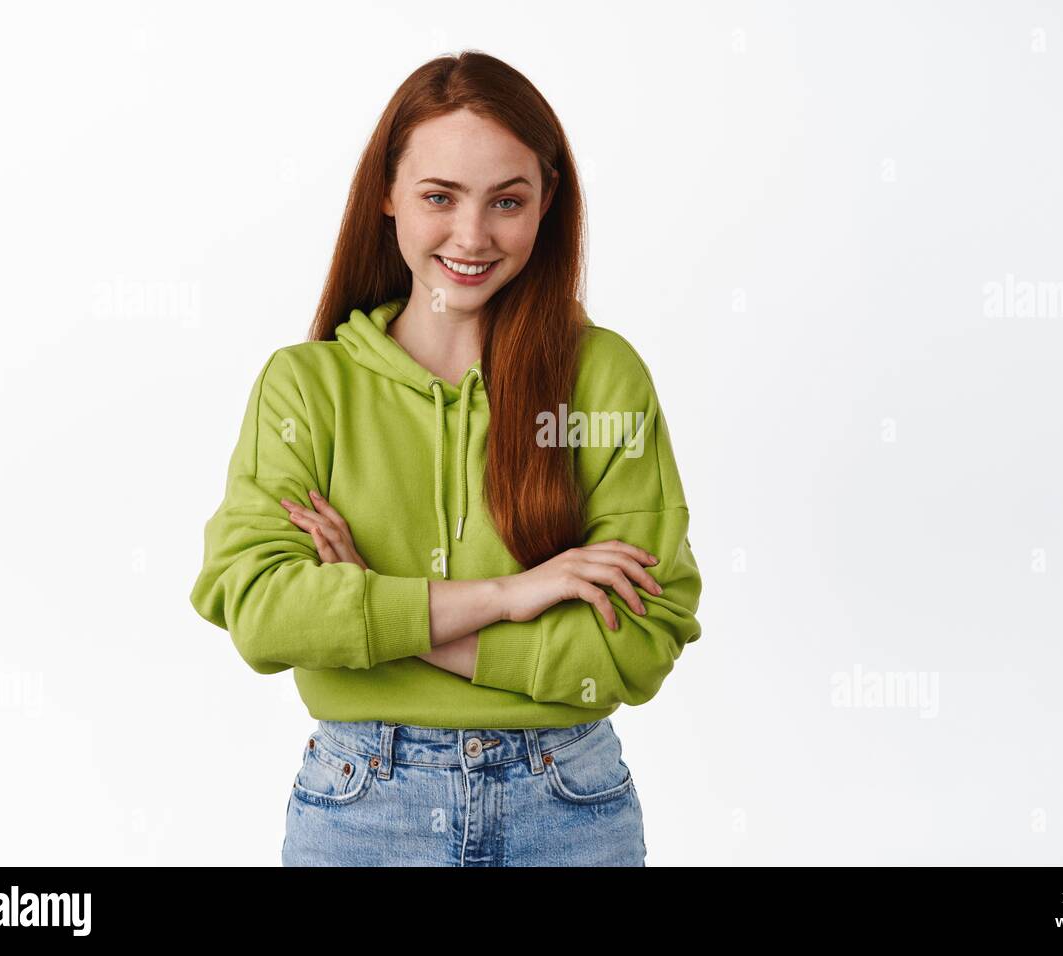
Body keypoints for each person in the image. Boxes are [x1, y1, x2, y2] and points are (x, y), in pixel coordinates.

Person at [189, 50, 703, 867]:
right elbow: (260, 613)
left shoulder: (601, 377)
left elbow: (638, 645)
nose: (472, 236)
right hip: (363, 808)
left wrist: (385, 614)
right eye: (440, 196)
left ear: (546, 205)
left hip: (569, 805)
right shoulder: (308, 386)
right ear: (387, 195)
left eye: (507, 200)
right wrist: (511, 593)